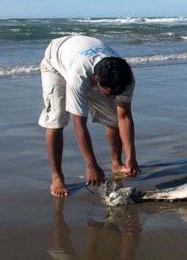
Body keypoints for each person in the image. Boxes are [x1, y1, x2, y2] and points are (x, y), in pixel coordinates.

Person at [39, 35, 140, 197]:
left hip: (81, 53)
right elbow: (78, 123)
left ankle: (117, 162)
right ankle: (57, 176)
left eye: (117, 93)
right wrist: (90, 165)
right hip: (55, 63)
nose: (113, 96)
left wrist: (132, 157)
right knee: (57, 119)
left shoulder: (126, 77)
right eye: (109, 93)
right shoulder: (78, 77)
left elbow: (125, 117)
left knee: (114, 118)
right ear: (97, 79)